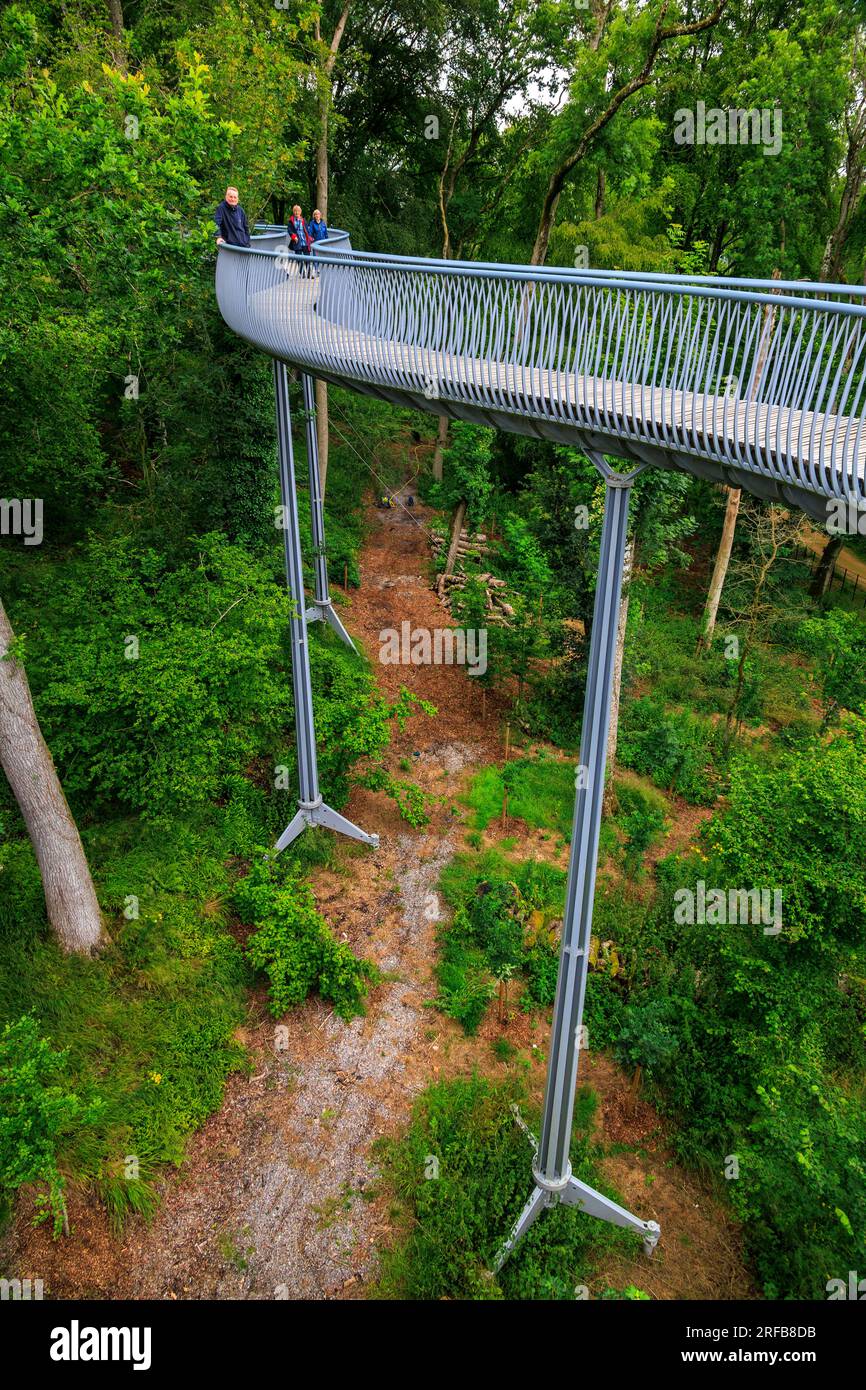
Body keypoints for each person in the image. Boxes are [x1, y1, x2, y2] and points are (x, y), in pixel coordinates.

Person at [288, 204, 312, 276]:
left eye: (298, 211)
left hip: (304, 241)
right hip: (297, 242)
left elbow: (307, 231)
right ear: (293, 212)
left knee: (307, 258)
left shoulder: (303, 220)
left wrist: (309, 238)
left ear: (300, 212)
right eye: (295, 211)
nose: (296, 212)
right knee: (299, 258)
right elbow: (289, 230)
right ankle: (302, 273)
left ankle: (309, 273)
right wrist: (294, 237)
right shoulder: (291, 221)